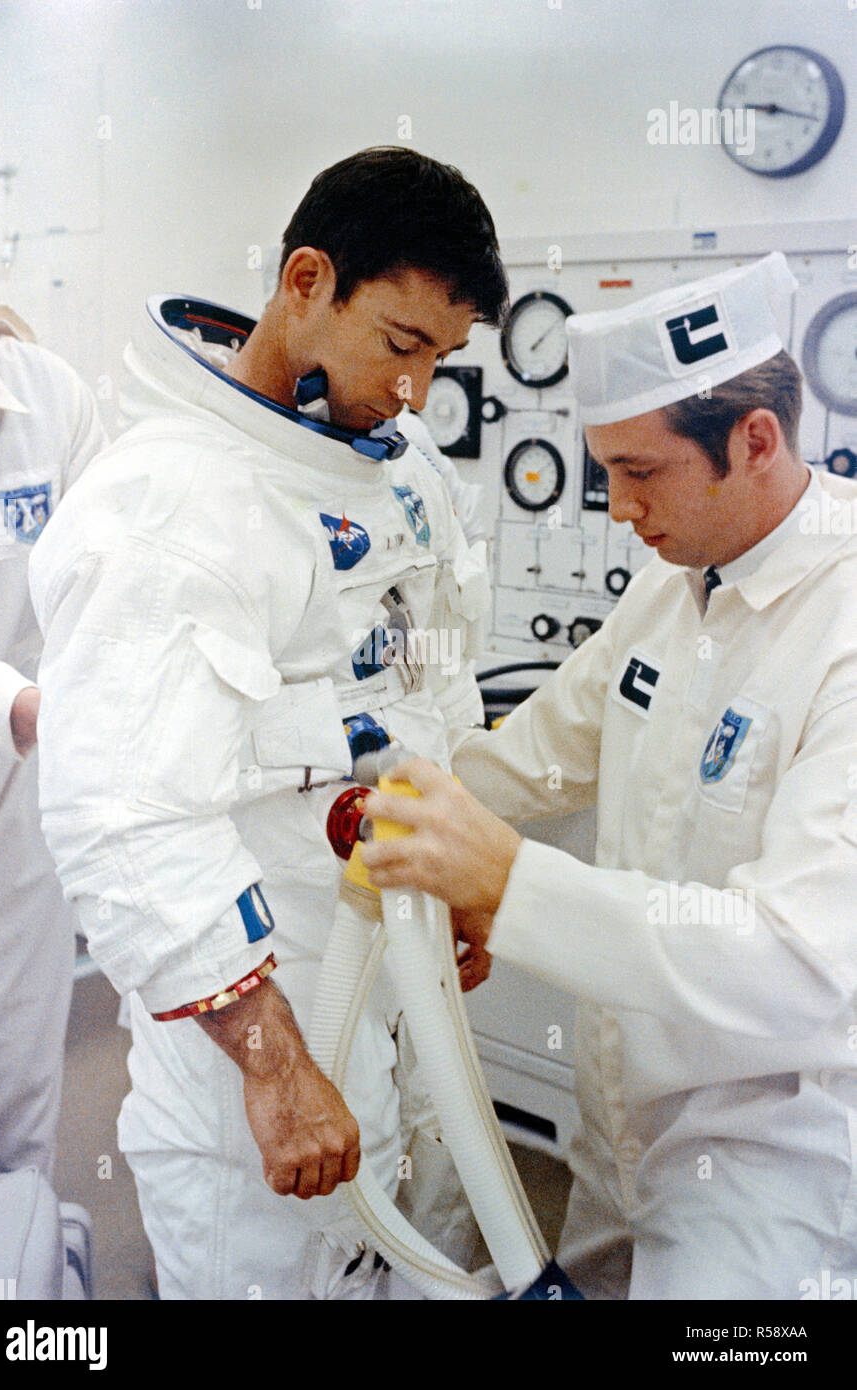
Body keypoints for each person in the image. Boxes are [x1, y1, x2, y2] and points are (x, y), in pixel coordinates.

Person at [28, 147, 508, 1299]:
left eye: (441, 359)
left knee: (407, 1263)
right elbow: (124, 816)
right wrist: (275, 1062)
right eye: (400, 346)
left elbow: (435, 693)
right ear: (305, 282)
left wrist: (453, 871)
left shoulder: (403, 474)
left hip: (392, 1004)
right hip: (253, 1066)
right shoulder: (165, 505)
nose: (416, 392)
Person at [362, 252, 857, 1300]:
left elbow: (799, 961)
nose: (617, 508)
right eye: (606, 473)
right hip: (619, 1119)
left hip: (772, 1163)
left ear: (755, 441)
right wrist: (393, 797)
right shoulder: (673, 580)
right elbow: (541, 749)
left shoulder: (842, 620)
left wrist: (507, 885)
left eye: (639, 473)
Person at [0, 158, 107, 1182]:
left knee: (15, 1100)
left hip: (16, 825)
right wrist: (15, 701)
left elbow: (113, 574)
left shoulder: (52, 404)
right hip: (22, 728)